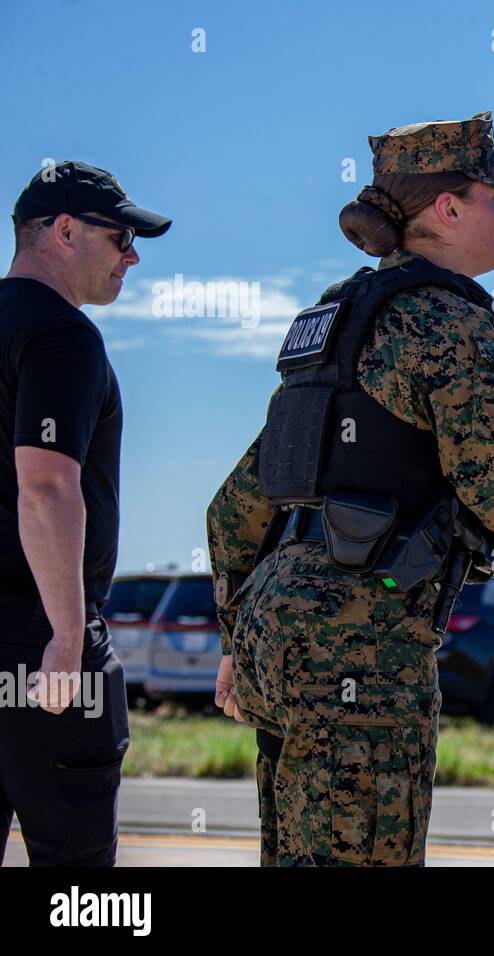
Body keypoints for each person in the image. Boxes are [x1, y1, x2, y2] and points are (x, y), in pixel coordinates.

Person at [206, 111, 494, 867]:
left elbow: (235, 510)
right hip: (361, 649)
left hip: (276, 639)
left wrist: (238, 642)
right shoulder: (445, 320)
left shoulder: (339, 321)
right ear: (447, 209)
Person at [0, 161, 171, 865]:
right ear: (64, 231)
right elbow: (44, 488)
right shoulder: (62, 335)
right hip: (39, 644)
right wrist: (68, 638)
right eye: (120, 237)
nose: (132, 256)